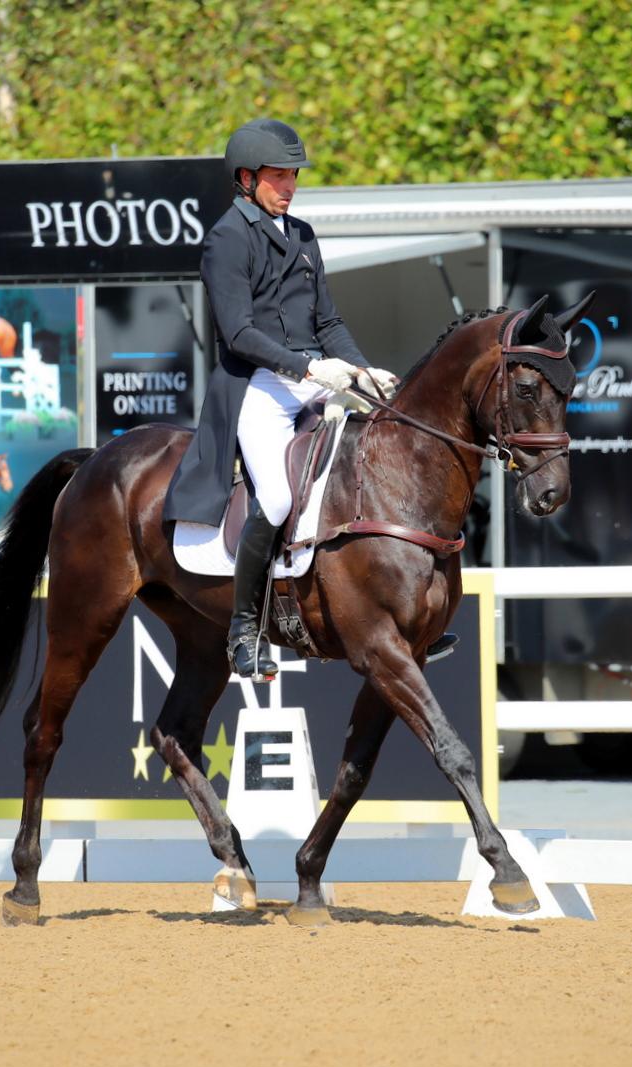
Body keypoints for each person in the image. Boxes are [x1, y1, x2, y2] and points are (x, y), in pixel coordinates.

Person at [162, 118, 398, 681]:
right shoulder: (227, 239)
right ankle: (244, 630)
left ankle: (397, 612)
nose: (289, 186)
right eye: (278, 176)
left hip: (315, 377)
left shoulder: (304, 235)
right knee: (275, 497)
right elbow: (239, 333)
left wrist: (361, 371)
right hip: (258, 385)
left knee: (375, 458)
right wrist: (311, 366)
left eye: (293, 176)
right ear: (246, 179)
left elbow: (328, 321)